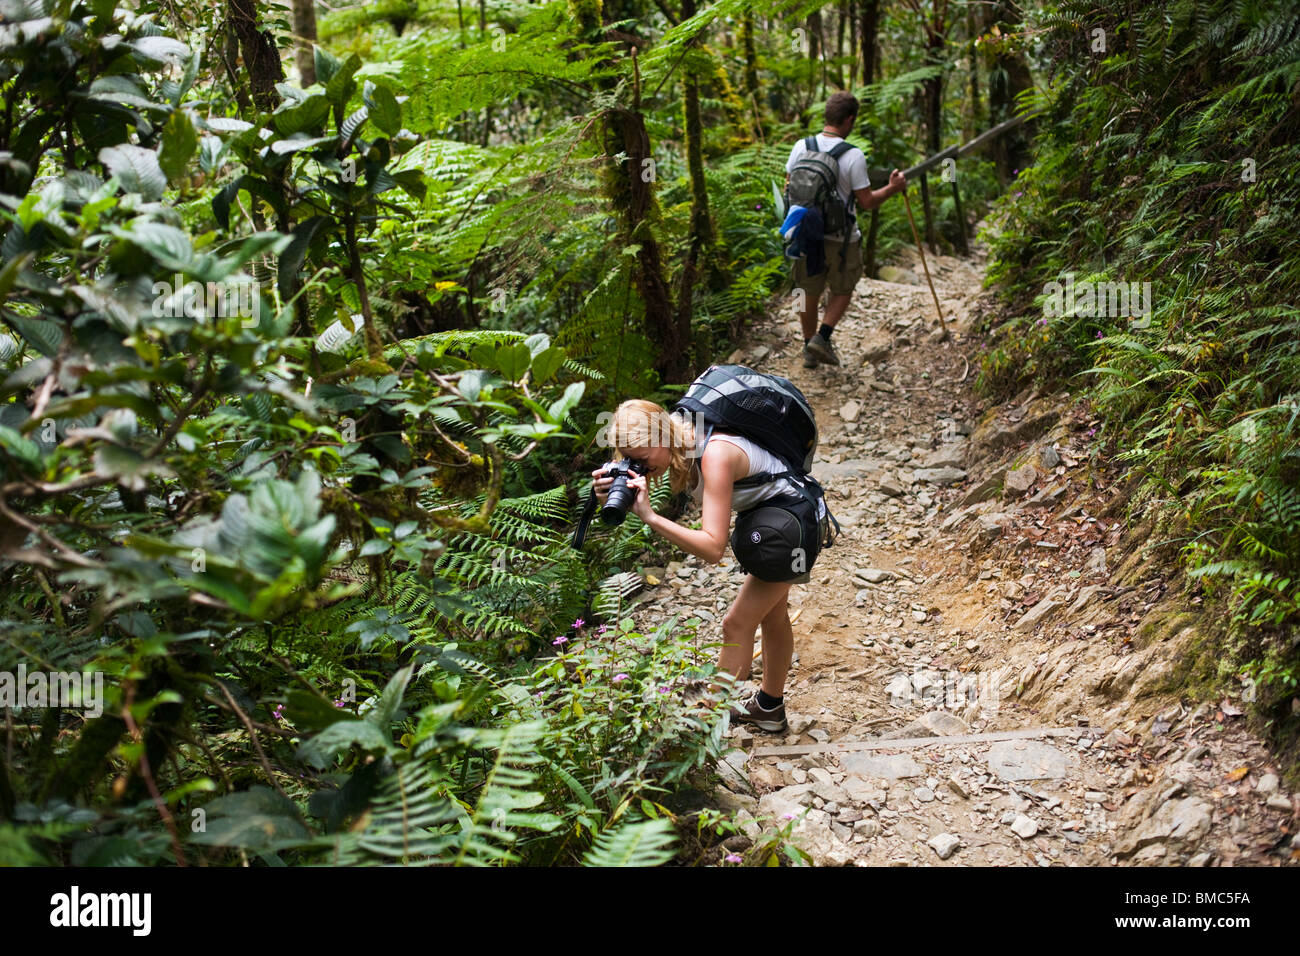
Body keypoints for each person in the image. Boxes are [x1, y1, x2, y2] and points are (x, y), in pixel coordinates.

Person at [591, 400, 830, 733]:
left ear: (662, 437)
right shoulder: (681, 431)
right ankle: (769, 709)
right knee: (773, 615)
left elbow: (712, 548)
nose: (640, 469)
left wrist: (650, 517)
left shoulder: (715, 454)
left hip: (792, 525)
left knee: (736, 625)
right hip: (782, 515)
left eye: (643, 461)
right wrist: (613, 493)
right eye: (630, 460)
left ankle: (706, 723)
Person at [787, 91, 907, 368]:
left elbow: (789, 186)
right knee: (843, 288)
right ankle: (823, 336)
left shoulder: (800, 146)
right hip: (841, 239)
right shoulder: (853, 155)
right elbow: (866, 202)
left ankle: (808, 346)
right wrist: (893, 187)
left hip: (805, 233)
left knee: (807, 290)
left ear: (827, 115)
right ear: (849, 120)